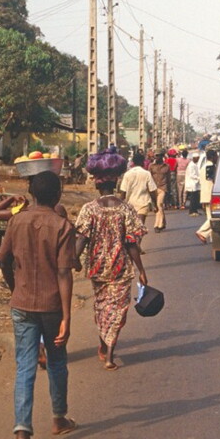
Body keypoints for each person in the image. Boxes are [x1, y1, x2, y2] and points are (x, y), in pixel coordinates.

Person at [0, 170, 79, 439]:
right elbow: (65, 273)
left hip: (22, 304)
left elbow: (1, 259)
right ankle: (58, 418)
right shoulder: (62, 225)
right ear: (57, 195)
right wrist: (67, 317)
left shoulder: (16, 220)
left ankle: (22, 433)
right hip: (52, 305)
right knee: (56, 362)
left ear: (32, 194)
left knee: (25, 367)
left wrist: (14, 287)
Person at [74, 147, 149, 371]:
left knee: (102, 307)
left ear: (97, 184)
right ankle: (109, 354)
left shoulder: (88, 209)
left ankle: (104, 344)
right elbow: (132, 243)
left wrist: (74, 260)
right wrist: (142, 270)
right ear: (115, 183)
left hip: (97, 269)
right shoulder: (126, 209)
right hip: (121, 269)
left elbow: (81, 239)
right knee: (117, 311)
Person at [118, 151, 157, 227]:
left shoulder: (127, 174)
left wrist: (118, 205)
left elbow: (123, 192)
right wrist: (155, 204)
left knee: (131, 228)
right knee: (140, 228)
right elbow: (152, 190)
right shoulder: (146, 173)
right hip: (143, 204)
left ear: (133, 162)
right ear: (143, 162)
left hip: (130, 205)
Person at [194, 149, 218, 243]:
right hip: (211, 194)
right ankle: (202, 232)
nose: (217, 158)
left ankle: (212, 237)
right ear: (212, 157)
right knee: (214, 218)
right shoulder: (211, 167)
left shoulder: (204, 167)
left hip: (205, 194)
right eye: (216, 156)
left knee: (209, 216)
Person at [149, 152, 170, 231]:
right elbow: (149, 178)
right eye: (156, 156)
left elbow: (168, 179)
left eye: (158, 155)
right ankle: (163, 223)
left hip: (162, 187)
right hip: (153, 188)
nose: (157, 157)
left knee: (159, 204)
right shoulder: (151, 166)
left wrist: (169, 191)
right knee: (157, 207)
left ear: (162, 156)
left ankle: (157, 225)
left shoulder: (166, 166)